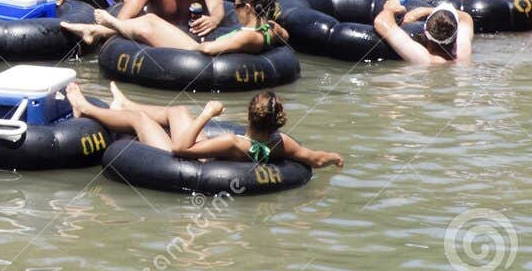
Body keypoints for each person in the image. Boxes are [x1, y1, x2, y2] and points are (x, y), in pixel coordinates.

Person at [65, 84, 344, 170]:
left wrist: (207, 114)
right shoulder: (281, 143)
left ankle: (85, 107)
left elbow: (180, 148)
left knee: (141, 122)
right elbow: (314, 158)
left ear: (249, 117)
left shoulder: (234, 142)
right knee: (177, 110)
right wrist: (333, 157)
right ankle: (124, 104)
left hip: (188, 159)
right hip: (206, 150)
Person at [64, 0, 286, 56]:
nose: (235, 10)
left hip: (192, 52)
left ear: (247, 7)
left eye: (237, 6)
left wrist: (208, 44)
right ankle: (97, 31)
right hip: (205, 46)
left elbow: (208, 50)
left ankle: (107, 25)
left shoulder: (247, 36)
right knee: (149, 23)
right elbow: (285, 34)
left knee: (150, 22)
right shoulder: (271, 29)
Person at [374, 0, 474, 65]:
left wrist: (390, 9)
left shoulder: (424, 58)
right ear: (456, 34)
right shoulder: (463, 51)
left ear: (425, 32)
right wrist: (424, 10)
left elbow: (381, 22)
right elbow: (466, 17)